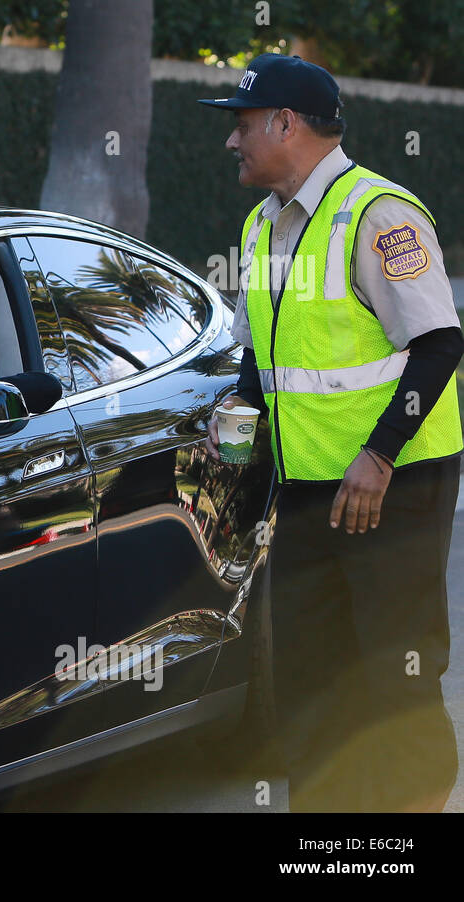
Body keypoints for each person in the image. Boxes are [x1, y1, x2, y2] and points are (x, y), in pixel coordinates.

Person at [200, 53, 463, 812]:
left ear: (287, 123)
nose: (232, 143)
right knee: (312, 677)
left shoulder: (379, 213)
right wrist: (239, 436)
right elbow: (264, 360)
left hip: (397, 486)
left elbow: (440, 343)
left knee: (395, 673)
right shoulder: (259, 228)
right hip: (308, 490)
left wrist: (378, 457)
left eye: (243, 125)